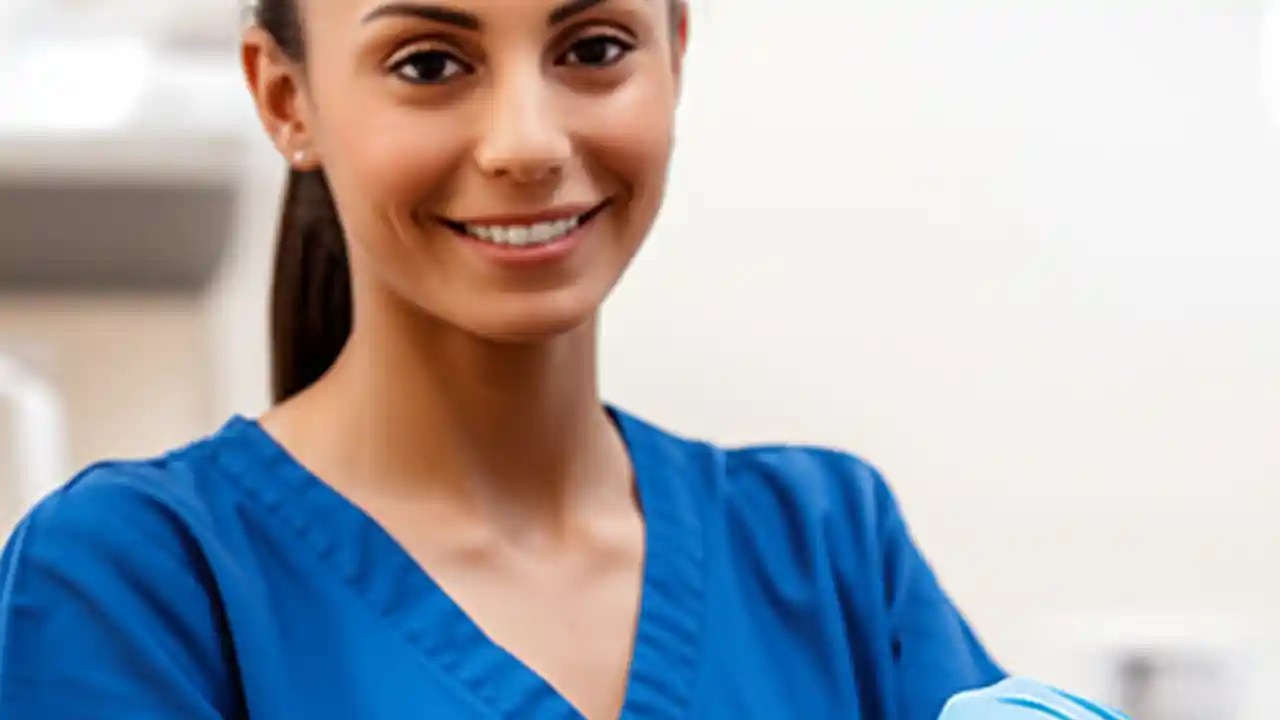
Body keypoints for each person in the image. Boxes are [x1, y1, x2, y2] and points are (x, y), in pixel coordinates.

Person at [0, 0, 1027, 717]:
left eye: (591, 47)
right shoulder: (138, 582)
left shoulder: (826, 549)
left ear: (674, 50)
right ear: (285, 99)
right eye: (428, 64)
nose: (526, 143)